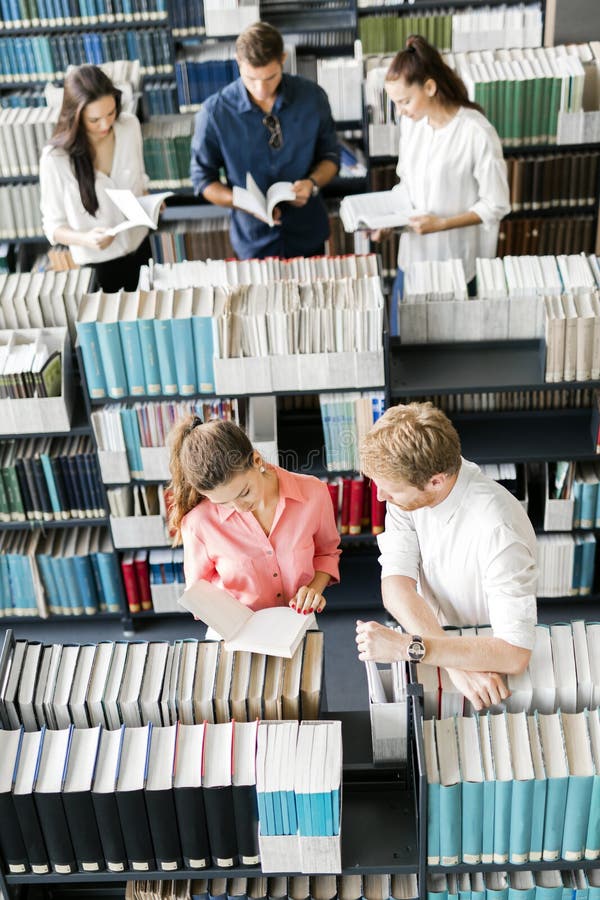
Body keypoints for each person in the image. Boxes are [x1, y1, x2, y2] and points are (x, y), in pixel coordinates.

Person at [355, 402, 537, 711]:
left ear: (436, 480)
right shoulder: (406, 491)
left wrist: (408, 648)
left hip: (490, 661)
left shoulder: (499, 530)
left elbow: (514, 652)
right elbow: (396, 586)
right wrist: (450, 663)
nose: (380, 497)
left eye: (391, 491)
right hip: (443, 646)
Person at [373, 35, 510, 317]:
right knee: (408, 350)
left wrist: (442, 224)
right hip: (411, 262)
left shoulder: (476, 132)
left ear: (430, 87)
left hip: (456, 267)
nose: (400, 111)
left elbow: (496, 205)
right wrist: (388, 221)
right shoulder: (413, 126)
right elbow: (407, 185)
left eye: (405, 101)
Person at [190, 21, 340, 260]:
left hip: (308, 231)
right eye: (251, 78)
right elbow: (202, 180)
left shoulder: (313, 98)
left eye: (270, 77)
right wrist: (241, 202)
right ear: (238, 63)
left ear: (283, 59)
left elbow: (331, 157)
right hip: (253, 240)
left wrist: (312, 183)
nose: (261, 89)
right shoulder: (214, 113)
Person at [168, 416, 341, 617]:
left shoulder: (313, 493)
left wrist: (313, 589)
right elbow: (198, 595)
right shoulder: (198, 523)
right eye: (223, 503)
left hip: (297, 621)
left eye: (244, 492)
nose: (239, 507)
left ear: (257, 460)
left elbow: (327, 553)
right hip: (236, 629)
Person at [39, 64, 152, 292]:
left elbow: (140, 179)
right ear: (76, 117)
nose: (106, 124)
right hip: (97, 263)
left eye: (111, 113)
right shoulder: (56, 159)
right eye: (94, 120)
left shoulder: (129, 126)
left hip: (139, 247)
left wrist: (150, 204)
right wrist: (86, 239)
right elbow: (53, 226)